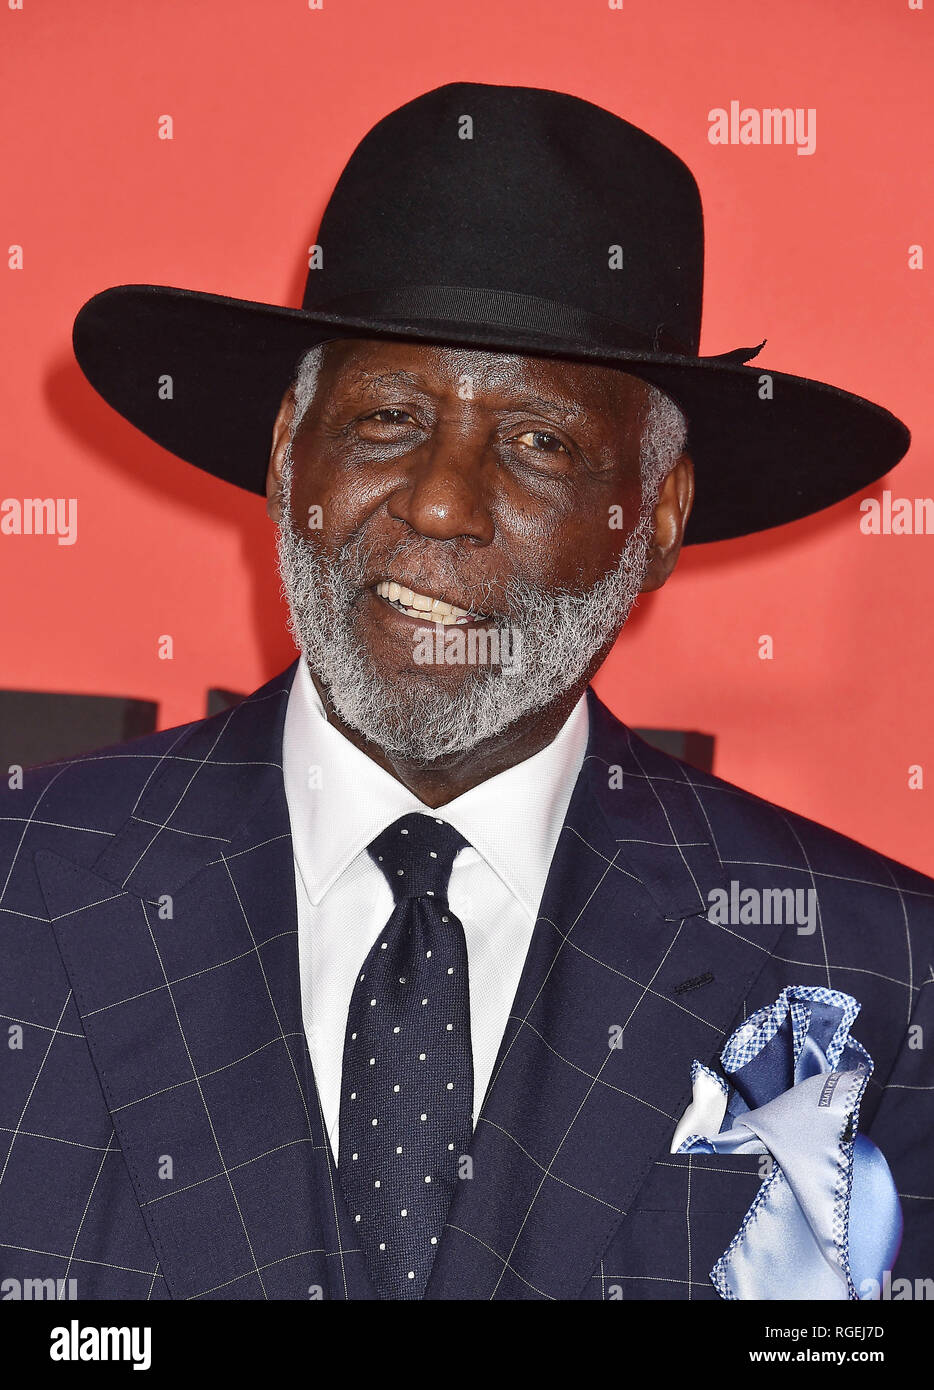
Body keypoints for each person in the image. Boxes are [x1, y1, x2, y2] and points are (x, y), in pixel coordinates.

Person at [0, 83, 930, 1302]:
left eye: (539, 440)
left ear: (653, 518)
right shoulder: (22, 889)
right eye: (387, 416)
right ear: (289, 457)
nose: (441, 502)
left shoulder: (883, 983)